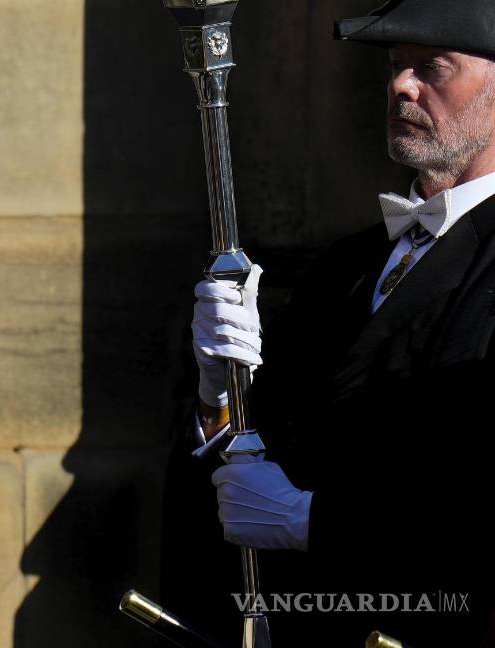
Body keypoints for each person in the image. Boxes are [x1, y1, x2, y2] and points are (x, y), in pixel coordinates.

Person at [180, 0, 495, 644]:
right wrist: (218, 395)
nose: (401, 86)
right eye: (396, 66)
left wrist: (315, 520)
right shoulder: (349, 264)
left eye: (434, 66)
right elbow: (270, 448)